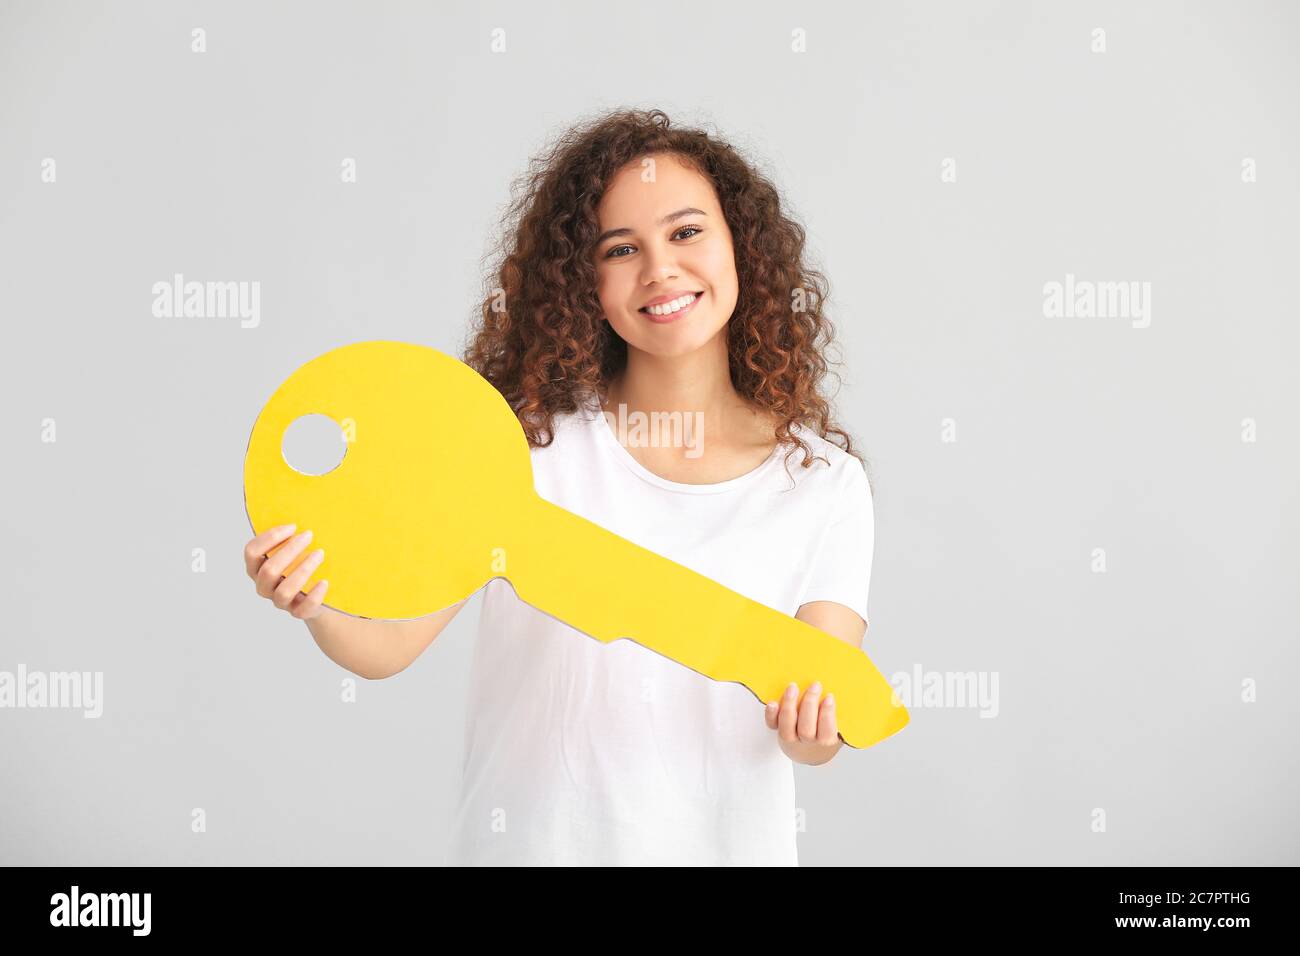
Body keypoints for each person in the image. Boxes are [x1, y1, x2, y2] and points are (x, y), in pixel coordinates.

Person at [243, 108, 878, 866]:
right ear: (586, 282)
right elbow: (387, 648)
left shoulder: (823, 484)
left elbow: (827, 726)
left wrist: (813, 730)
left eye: (685, 233)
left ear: (740, 245)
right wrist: (314, 601)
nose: (660, 270)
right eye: (621, 249)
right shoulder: (527, 447)